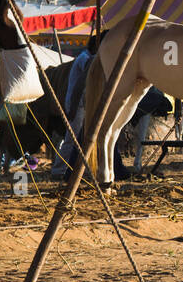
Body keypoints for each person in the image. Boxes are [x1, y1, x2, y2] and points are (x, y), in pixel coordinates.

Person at [52, 34, 127, 181]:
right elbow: (80, 85)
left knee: (77, 137)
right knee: (72, 138)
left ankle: (72, 168)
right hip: (78, 103)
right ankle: (59, 169)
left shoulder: (85, 57)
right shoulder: (86, 59)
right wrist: (73, 106)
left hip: (80, 102)